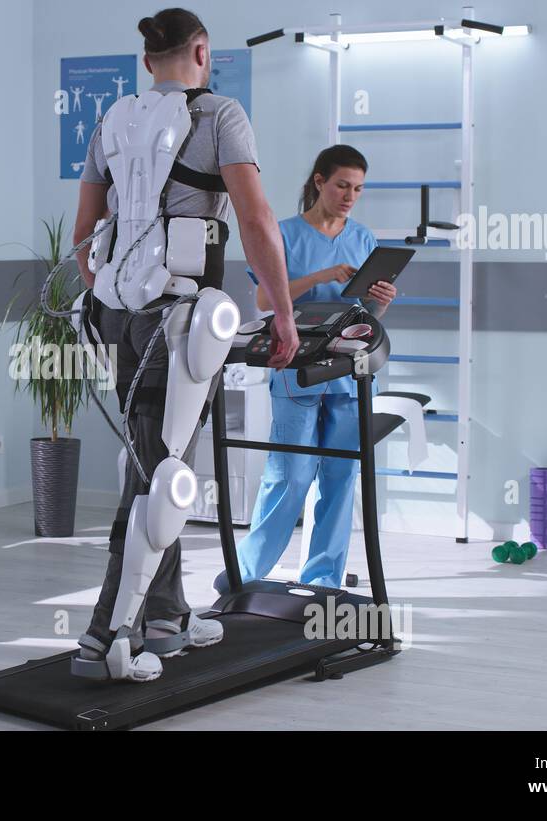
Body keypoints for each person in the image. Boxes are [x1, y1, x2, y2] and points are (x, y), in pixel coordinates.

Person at [70, 7, 299, 682]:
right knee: (160, 475)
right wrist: (281, 310)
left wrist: (115, 293)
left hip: (118, 316)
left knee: (158, 461)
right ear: (202, 51)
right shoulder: (222, 115)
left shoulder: (111, 120)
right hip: (181, 319)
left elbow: (85, 231)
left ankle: (166, 616)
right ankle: (100, 638)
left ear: (148, 61)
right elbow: (256, 219)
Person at [214, 144, 397, 594]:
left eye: (357, 189)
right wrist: (319, 277)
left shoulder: (363, 238)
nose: (350, 195)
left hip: (348, 370)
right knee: (291, 474)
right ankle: (247, 572)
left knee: (340, 476)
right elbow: (261, 301)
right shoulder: (283, 234)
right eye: (341, 185)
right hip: (296, 364)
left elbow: (365, 316)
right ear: (319, 181)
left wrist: (381, 303)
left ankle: (323, 581)